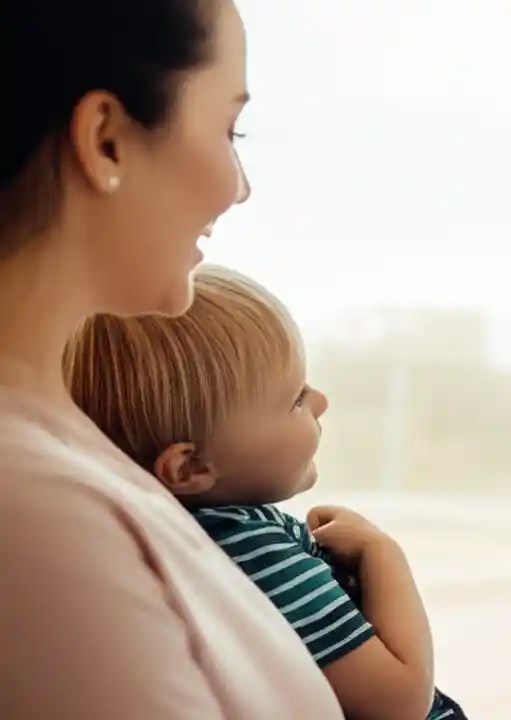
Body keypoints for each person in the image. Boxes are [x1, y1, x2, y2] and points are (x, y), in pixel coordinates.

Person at [0, 0, 343, 716]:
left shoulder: (67, 449)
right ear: (107, 141)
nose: (239, 186)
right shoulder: (34, 516)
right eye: (229, 128)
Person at [64, 265, 469, 720]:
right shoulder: (247, 552)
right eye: (295, 399)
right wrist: (382, 553)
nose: (320, 401)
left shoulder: (173, 533)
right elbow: (399, 704)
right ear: (190, 467)